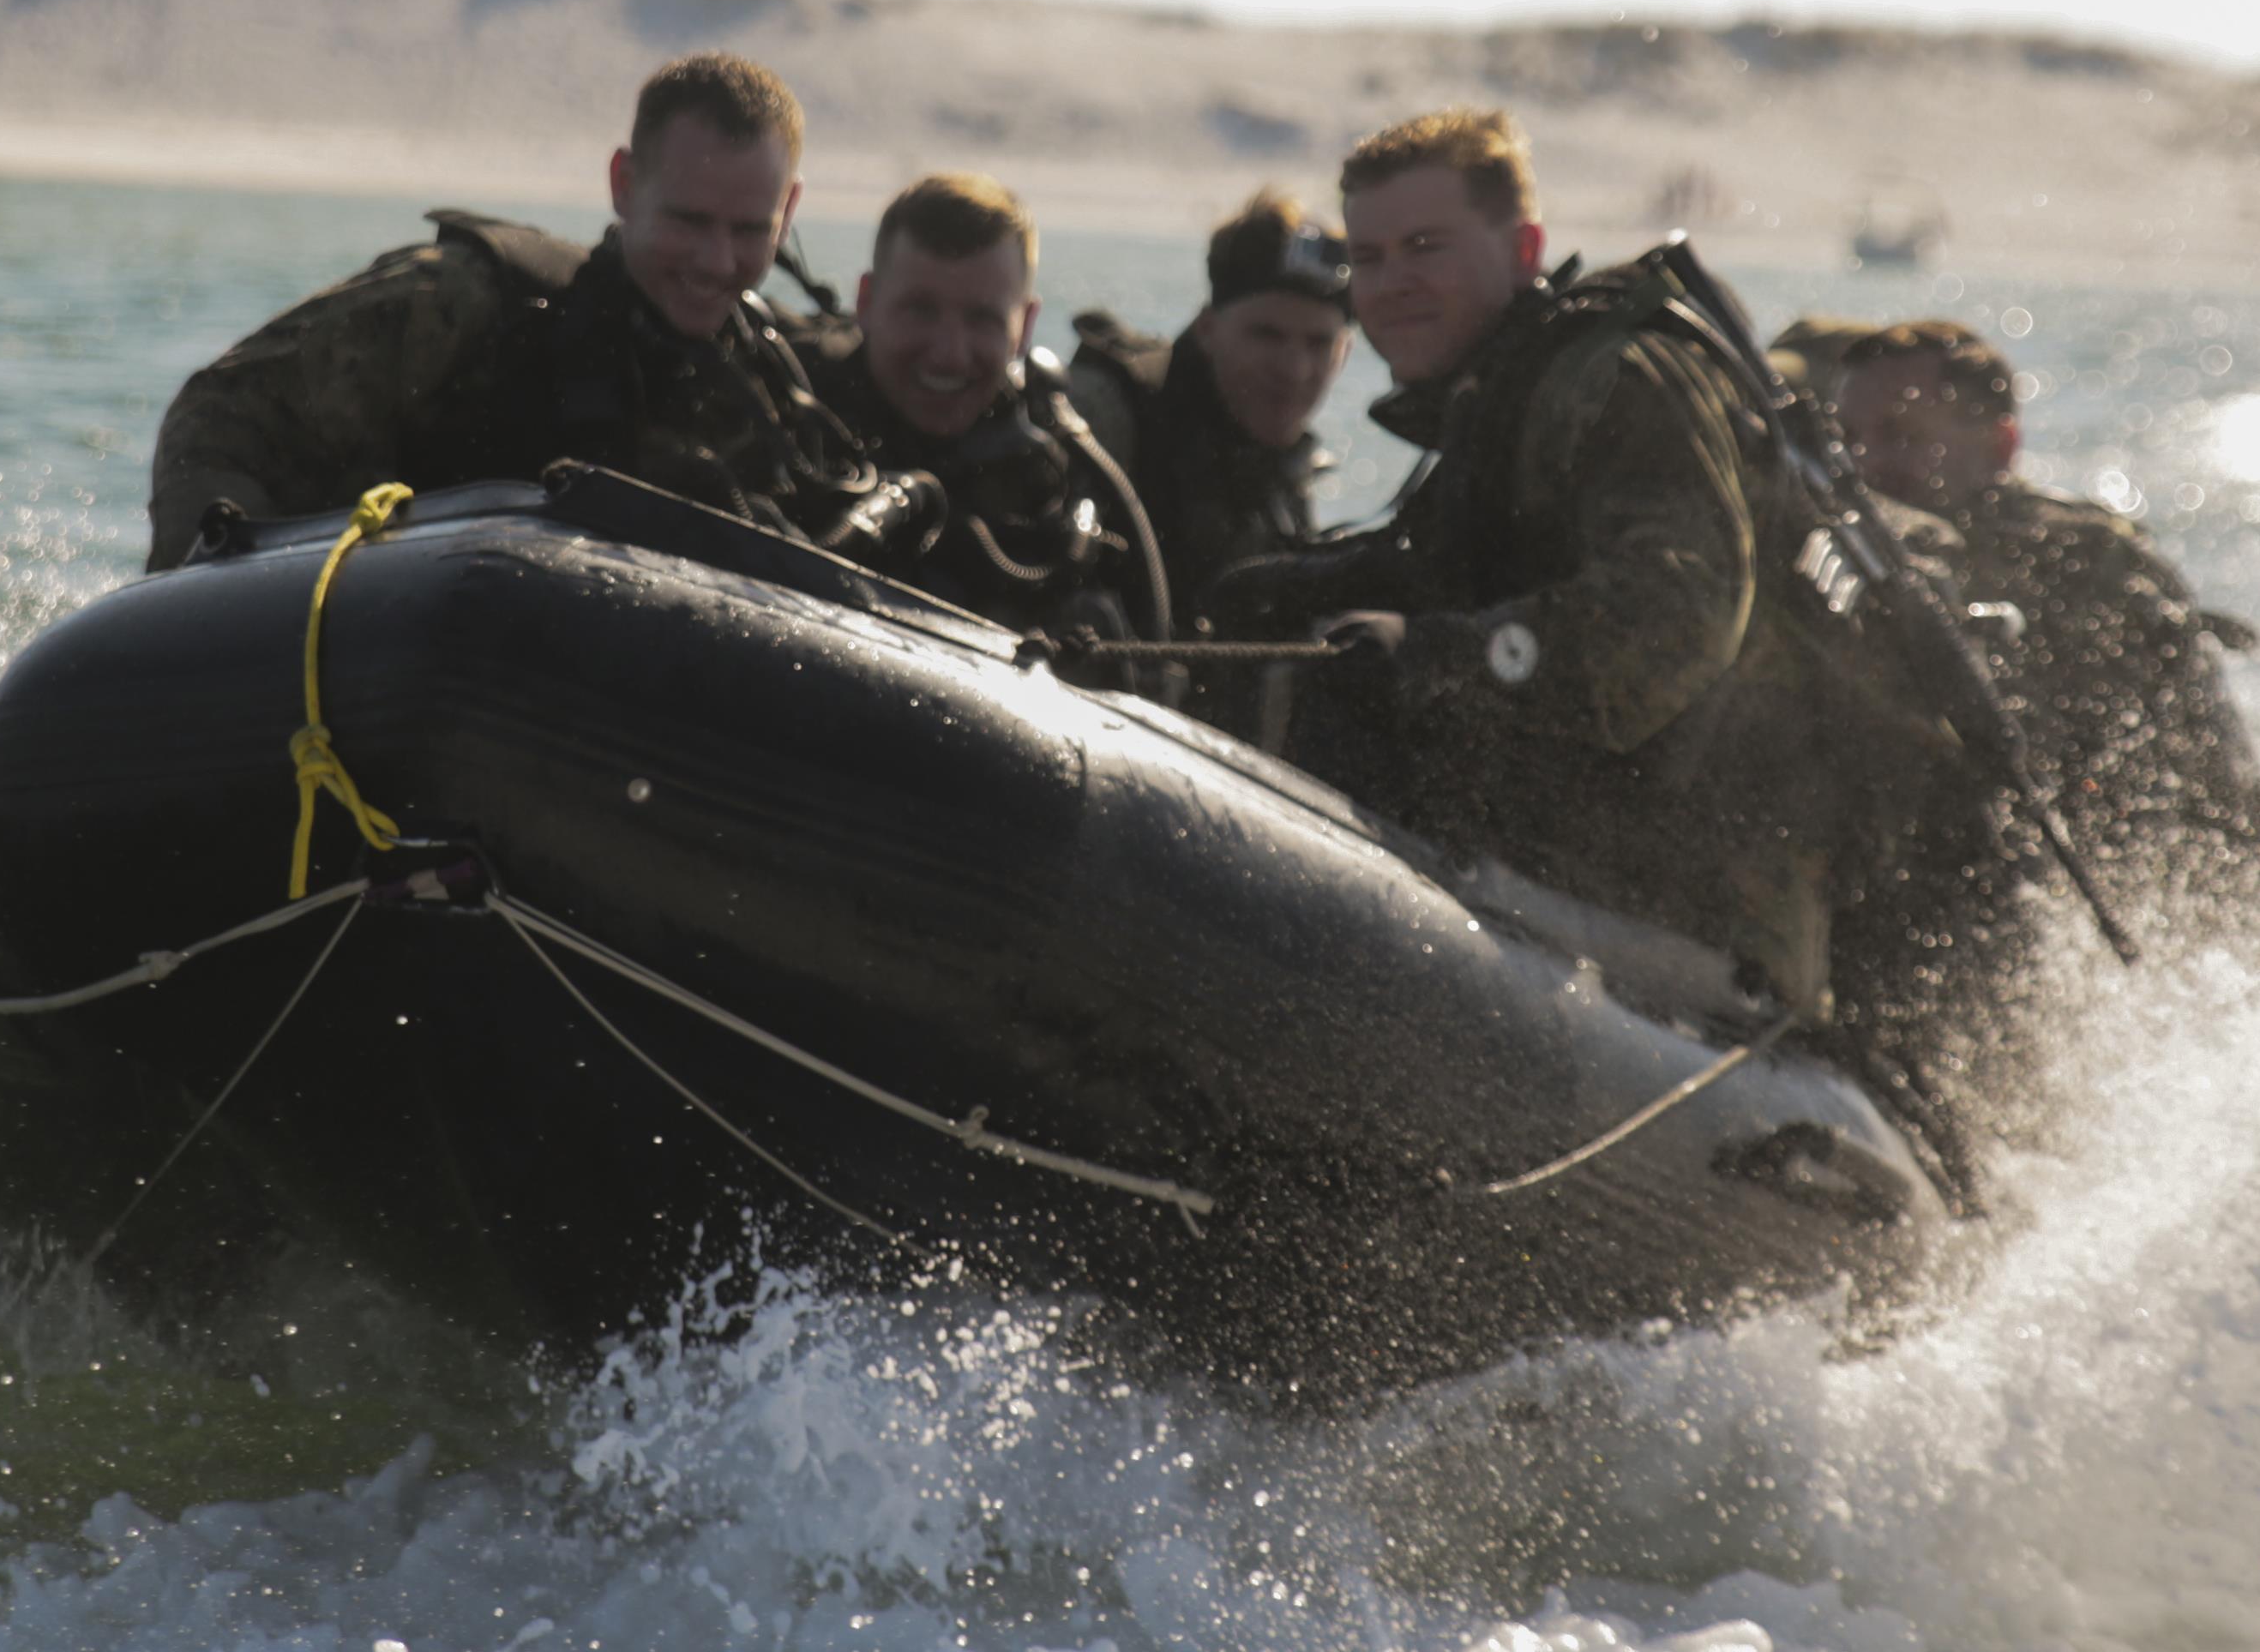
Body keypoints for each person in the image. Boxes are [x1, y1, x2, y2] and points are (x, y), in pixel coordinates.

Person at [1208, 109, 1950, 1018]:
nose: (1392, 283)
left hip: (1702, 904)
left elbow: (1674, 623)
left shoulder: (1618, 379)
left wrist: (1441, 652)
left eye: (1426, 247)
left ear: (1523, 249)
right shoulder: (1500, 403)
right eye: (1369, 259)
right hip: (1588, 852)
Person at [142, 53, 870, 572]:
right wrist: (229, 591)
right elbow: (217, 415)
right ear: (625, 183)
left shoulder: (769, 385)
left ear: (790, 212)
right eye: (688, 222)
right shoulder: (465, 304)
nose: (717, 261)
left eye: (749, 231)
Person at [1827, 318, 2260, 953]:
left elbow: (2180, 773)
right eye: (1848, 438)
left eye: (1904, 436)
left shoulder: (2084, 561)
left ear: (2000, 445)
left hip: (2114, 865)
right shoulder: (1846, 541)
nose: (1867, 463)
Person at [781, 173, 1147, 639]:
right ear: (866, 301)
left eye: (982, 320)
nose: (950, 353)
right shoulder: (791, 422)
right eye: (920, 310)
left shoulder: (1045, 480)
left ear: (1026, 326)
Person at [1057, 189, 1351, 607]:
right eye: (1266, 335)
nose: (1295, 369)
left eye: (1319, 343)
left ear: (1347, 352)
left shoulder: (1286, 475)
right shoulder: (1102, 416)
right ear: (1207, 329)